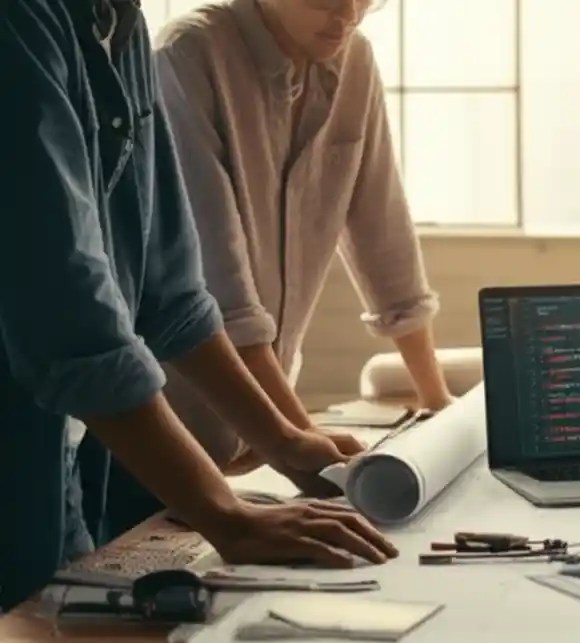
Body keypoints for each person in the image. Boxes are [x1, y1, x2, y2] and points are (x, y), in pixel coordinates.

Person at [0, 0, 397, 611]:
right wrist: (224, 514)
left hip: (64, 456)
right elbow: (69, 317)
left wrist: (285, 440)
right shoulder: (20, 23)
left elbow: (173, 290)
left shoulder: (121, 26)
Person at [97, 0, 456, 536]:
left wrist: (437, 402)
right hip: (161, 427)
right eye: (325, 0)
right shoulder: (186, 57)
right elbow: (217, 288)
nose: (348, 16)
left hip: (264, 428)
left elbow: (384, 235)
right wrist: (298, 437)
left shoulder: (355, 59)